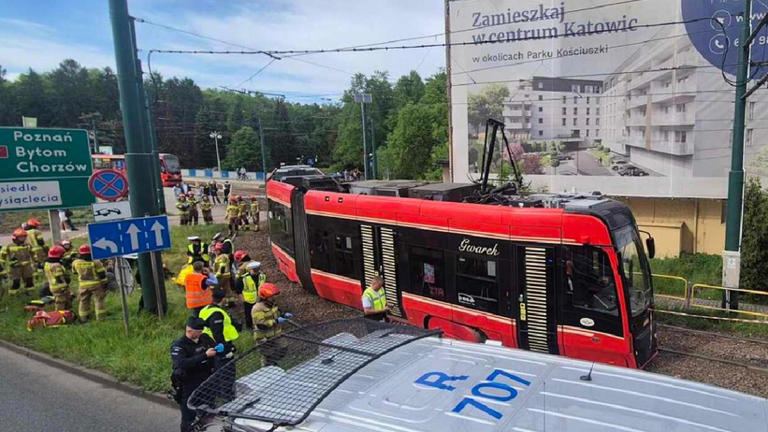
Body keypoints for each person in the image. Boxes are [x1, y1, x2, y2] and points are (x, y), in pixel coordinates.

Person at [170, 316, 216, 432]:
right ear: (189, 331)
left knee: (207, 414)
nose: (200, 334)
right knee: (189, 417)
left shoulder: (204, 338)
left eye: (201, 332)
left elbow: (215, 348)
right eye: (198, 332)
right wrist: (204, 356)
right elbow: (182, 363)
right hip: (188, 384)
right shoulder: (179, 345)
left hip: (206, 381)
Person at [72, 245, 108, 322]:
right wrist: (105, 283)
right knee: (99, 300)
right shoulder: (96, 262)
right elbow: (102, 274)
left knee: (83, 301)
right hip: (95, 284)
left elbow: (74, 272)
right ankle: (101, 318)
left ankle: (84, 318)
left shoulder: (75, 262)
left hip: (83, 285)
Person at [0, 228, 35, 295]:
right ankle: (13, 295)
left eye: (24, 237)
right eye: (21, 237)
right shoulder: (9, 246)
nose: (23, 238)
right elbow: (2, 257)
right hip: (15, 268)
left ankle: (29, 293)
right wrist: (2, 265)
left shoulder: (27, 245)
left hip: (27, 268)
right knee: (16, 282)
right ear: (15, 237)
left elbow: (33, 254)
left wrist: (36, 262)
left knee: (29, 281)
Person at [236, 261, 265, 330]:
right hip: (248, 300)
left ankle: (260, 325)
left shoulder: (262, 276)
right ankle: (249, 327)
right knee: (249, 314)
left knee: (260, 313)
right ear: (249, 270)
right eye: (254, 270)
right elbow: (238, 290)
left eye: (257, 270)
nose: (255, 272)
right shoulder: (243, 278)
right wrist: (242, 298)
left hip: (260, 298)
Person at [44, 245, 72, 311]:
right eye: (62, 254)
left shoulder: (47, 263)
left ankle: (67, 314)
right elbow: (59, 277)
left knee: (66, 300)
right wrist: (65, 284)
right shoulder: (56, 265)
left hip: (53, 286)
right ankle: (59, 316)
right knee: (61, 302)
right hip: (60, 287)